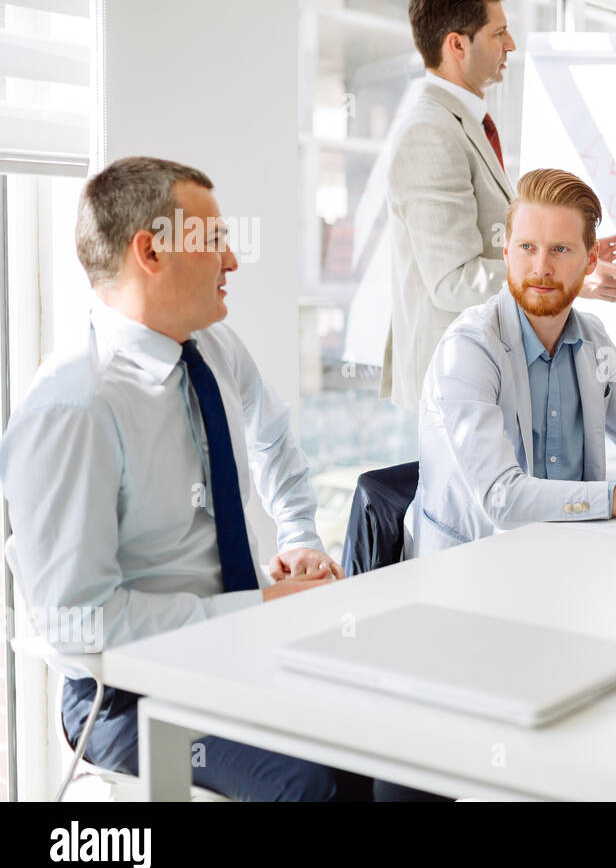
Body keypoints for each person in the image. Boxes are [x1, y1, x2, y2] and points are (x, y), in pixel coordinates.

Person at [0, 157, 423, 801]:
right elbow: (76, 623)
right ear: (151, 252)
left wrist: (300, 535)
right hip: (129, 700)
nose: (232, 260)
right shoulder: (74, 408)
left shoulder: (212, 348)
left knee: (406, 742)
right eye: (215, 240)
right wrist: (256, 610)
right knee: (317, 787)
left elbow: (272, 435)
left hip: (239, 649)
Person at [405, 168, 616, 555]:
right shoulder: (470, 347)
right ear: (506, 250)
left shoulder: (593, 339)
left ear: (591, 260)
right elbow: (501, 499)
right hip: (474, 569)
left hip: (573, 558)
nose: (541, 267)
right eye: (527, 247)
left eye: (560, 249)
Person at [382, 0, 616, 412]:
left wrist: (569, 251)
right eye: (499, 32)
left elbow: (499, 245)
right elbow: (452, 281)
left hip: (483, 374)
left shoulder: (463, 123)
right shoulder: (430, 133)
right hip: (455, 385)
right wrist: (566, 276)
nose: (511, 46)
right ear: (457, 44)